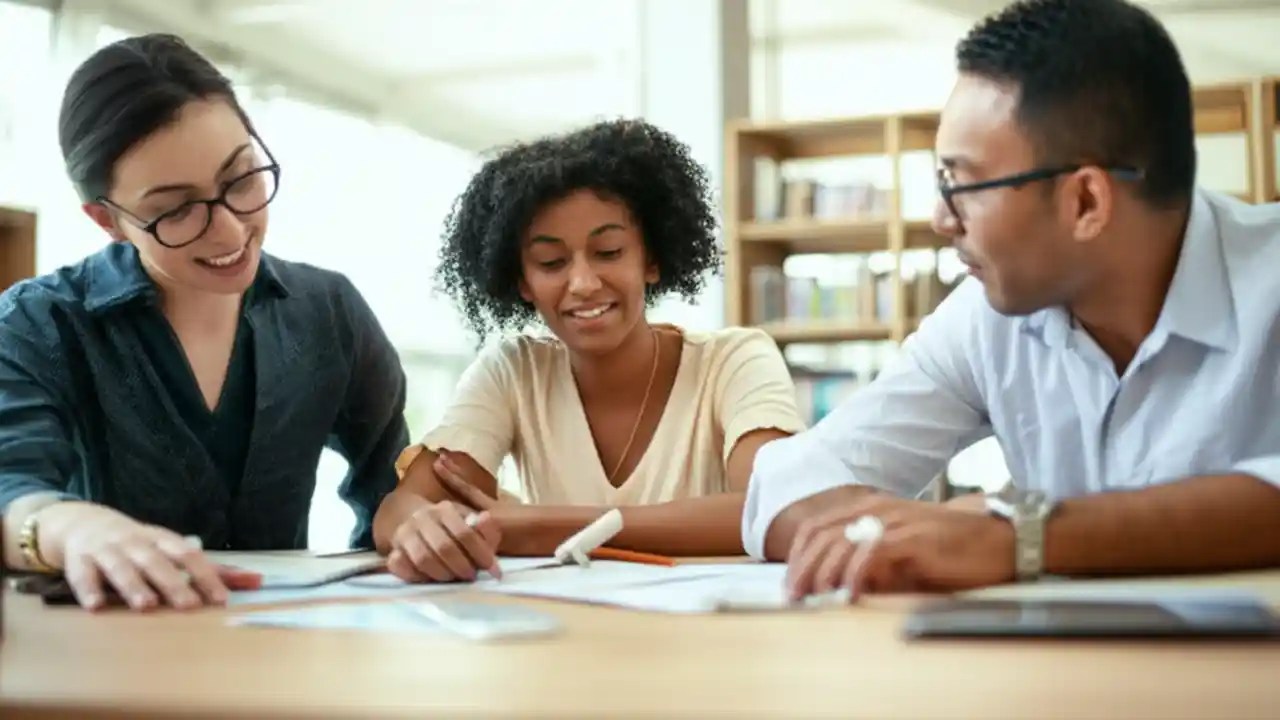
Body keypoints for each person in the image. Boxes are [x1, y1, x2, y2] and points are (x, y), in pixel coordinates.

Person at [744, 0, 1280, 600]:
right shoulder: (984, 316)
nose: (941, 218)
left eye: (963, 183)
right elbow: (790, 482)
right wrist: (889, 534)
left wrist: (1020, 533)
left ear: (1085, 202)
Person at [0, 34, 409, 611]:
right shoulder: (38, 323)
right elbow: (10, 486)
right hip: (117, 643)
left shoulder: (330, 312)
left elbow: (394, 489)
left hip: (286, 643)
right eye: (175, 209)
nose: (230, 231)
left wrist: (423, 523)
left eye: (241, 179)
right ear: (107, 220)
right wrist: (67, 526)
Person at [373, 119, 806, 583]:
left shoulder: (736, 360)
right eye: (551, 262)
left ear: (652, 259)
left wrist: (538, 526)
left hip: (710, 623)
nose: (582, 283)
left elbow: (778, 508)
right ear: (522, 282)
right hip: (569, 624)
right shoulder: (514, 372)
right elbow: (399, 511)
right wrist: (422, 530)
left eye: (609, 252)